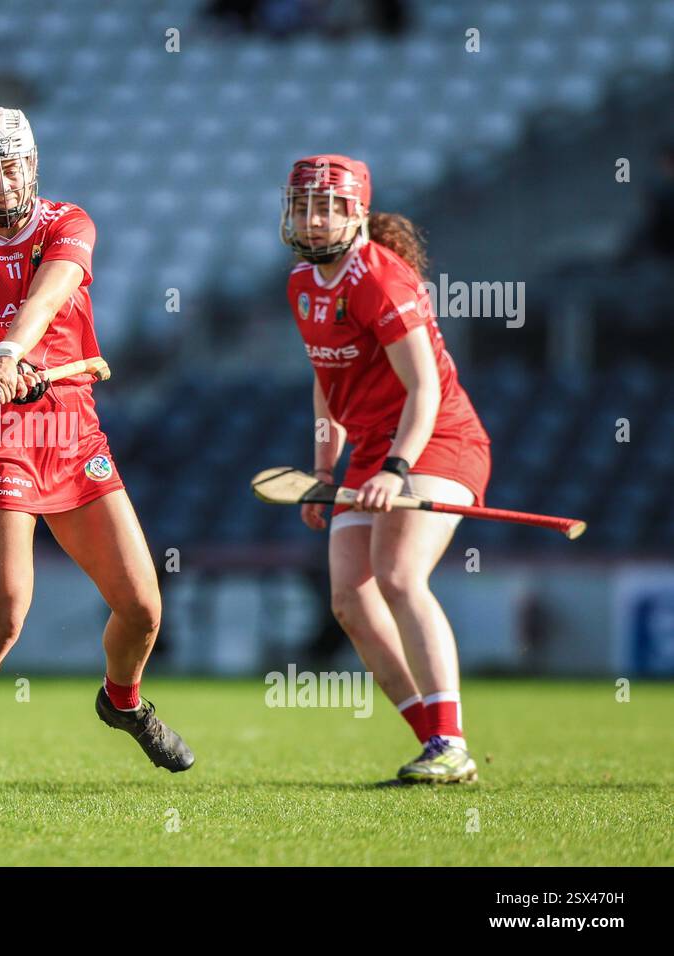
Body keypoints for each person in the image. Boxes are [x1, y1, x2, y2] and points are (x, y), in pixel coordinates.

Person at [0, 107, 193, 804]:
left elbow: (50, 293)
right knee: (5, 613)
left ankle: (121, 701)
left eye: (11, 165)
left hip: (72, 432)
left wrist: (14, 351)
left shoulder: (71, 222)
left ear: (31, 164)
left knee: (143, 609)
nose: (1, 182)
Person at [281, 154, 491, 784]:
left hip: (438, 440)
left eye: (329, 208)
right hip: (372, 450)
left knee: (399, 576)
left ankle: (451, 740)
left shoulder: (382, 279)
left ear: (359, 214)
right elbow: (329, 382)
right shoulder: (300, 284)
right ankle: (438, 745)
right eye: (303, 207)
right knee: (351, 600)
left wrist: (395, 470)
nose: (313, 221)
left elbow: (424, 388)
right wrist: (325, 469)